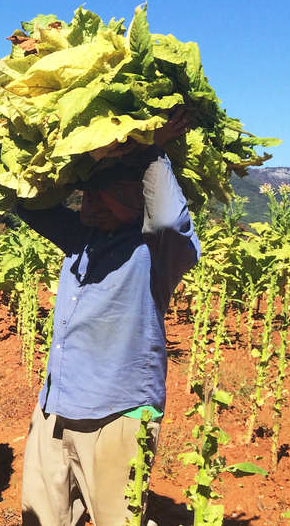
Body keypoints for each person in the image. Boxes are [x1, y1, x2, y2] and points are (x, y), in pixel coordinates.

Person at [15, 108, 200, 526]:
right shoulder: (80, 236)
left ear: (136, 195)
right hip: (55, 409)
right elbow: (28, 205)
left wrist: (149, 150)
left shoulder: (156, 250)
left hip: (118, 415)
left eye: (106, 195)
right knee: (41, 517)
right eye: (87, 196)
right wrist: (71, 160)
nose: (90, 207)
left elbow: (168, 219)